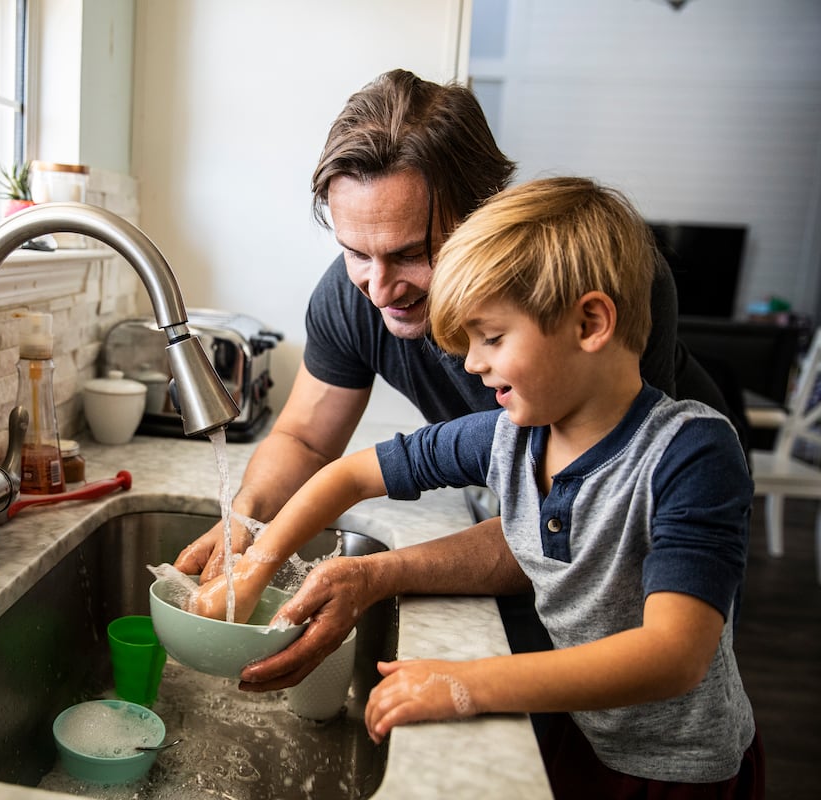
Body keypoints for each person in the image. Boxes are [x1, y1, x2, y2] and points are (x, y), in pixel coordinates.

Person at [172, 68, 743, 688]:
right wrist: (248, 525)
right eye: (357, 253)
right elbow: (308, 442)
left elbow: (567, 535)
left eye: (414, 254)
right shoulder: (351, 297)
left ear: (488, 214)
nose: (381, 289)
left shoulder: (595, 293)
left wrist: (377, 579)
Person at [195, 176, 764, 797]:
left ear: (591, 322)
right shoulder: (511, 434)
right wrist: (257, 557)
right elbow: (351, 473)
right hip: (584, 730)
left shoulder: (691, 451)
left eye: (492, 338)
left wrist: (469, 682)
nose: (471, 363)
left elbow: (672, 656)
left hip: (678, 771)